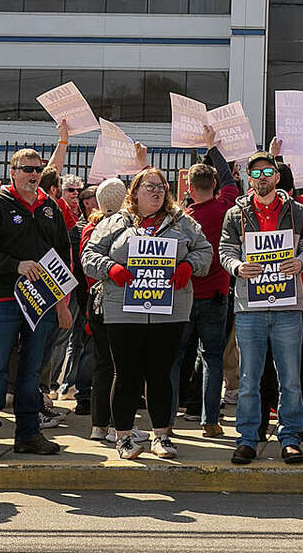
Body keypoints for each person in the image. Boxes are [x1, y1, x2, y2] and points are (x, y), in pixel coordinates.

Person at [84, 165, 214, 461]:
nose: (156, 192)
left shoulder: (183, 222)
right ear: (135, 192)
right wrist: (110, 269)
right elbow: (89, 255)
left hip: (169, 310)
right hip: (122, 310)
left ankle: (162, 436)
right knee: (126, 373)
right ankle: (125, 437)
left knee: (160, 373)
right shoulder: (115, 221)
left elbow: (205, 252)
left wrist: (188, 266)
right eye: (149, 187)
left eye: (161, 187)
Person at [0, 147, 72, 465]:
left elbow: (64, 255)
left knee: (31, 372)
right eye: (26, 168)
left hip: (43, 302)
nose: (32, 174)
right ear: (12, 171)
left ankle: (28, 435)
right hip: (4, 299)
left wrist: (63, 303)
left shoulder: (50, 207)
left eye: (37, 169)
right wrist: (16, 265)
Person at [219, 148, 303, 464]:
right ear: (249, 178)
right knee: (249, 377)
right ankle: (247, 439)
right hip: (249, 307)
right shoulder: (235, 214)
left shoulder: (298, 211)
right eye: (256, 173)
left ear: (277, 176)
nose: (261, 178)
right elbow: (225, 250)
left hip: (288, 306)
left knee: (290, 377)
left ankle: (290, 438)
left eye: (267, 172)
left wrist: (301, 262)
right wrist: (236, 267)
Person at [177, 156, 238, 437]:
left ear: (188, 187)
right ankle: (210, 420)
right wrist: (214, 147)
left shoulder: (182, 220)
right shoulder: (226, 208)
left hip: (184, 297)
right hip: (216, 297)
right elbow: (229, 180)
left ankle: (167, 418)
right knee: (213, 358)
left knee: (176, 358)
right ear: (213, 185)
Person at [77, 177, 126, 440]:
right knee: (121, 365)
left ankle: (98, 425)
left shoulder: (89, 228)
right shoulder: (119, 228)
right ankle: (120, 426)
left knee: (102, 364)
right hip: (114, 299)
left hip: (93, 299)